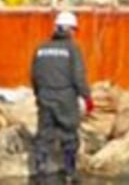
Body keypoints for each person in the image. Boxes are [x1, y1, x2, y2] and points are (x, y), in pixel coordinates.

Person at [31, 11, 93, 183]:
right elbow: (78, 76)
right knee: (69, 136)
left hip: (45, 96)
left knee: (43, 135)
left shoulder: (41, 48)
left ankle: (39, 170)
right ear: (70, 29)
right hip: (65, 97)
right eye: (74, 30)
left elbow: (34, 75)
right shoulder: (72, 49)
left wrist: (39, 95)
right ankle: (70, 172)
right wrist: (87, 98)